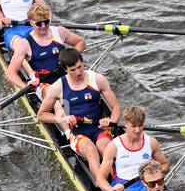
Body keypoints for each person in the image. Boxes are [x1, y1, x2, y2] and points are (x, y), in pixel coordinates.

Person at [36, 47, 121, 180]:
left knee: (105, 148)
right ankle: (104, 186)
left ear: (82, 62)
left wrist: (111, 123)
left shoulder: (97, 79)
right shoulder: (58, 86)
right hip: (77, 132)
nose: (78, 72)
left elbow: (116, 107)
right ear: (65, 70)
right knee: (92, 151)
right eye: (72, 70)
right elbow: (41, 115)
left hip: (99, 127)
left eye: (79, 67)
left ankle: (119, 180)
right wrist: (63, 119)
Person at [95, 106, 171, 191]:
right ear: (125, 124)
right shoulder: (114, 146)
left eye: (140, 126)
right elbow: (100, 179)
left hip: (146, 185)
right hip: (123, 190)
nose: (138, 130)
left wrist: (153, 173)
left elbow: (165, 165)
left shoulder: (151, 142)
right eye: (134, 126)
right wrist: (111, 190)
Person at [4, 3, 84, 92]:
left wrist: (71, 58)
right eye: (39, 24)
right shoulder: (25, 44)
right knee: (58, 96)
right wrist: (24, 86)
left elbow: (80, 42)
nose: (43, 27)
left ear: (50, 20)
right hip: (44, 85)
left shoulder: (60, 32)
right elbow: (10, 73)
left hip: (68, 75)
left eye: (46, 22)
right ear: (31, 23)